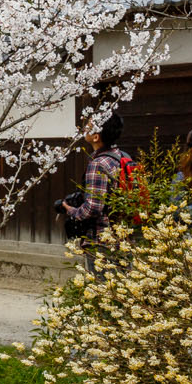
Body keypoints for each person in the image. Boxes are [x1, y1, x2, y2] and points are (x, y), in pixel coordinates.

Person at [59, 116, 135, 271]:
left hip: (102, 240)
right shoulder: (123, 156)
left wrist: (70, 210)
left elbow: (93, 208)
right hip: (124, 236)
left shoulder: (98, 164)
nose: (84, 129)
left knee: (103, 282)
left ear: (96, 137)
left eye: (88, 126)